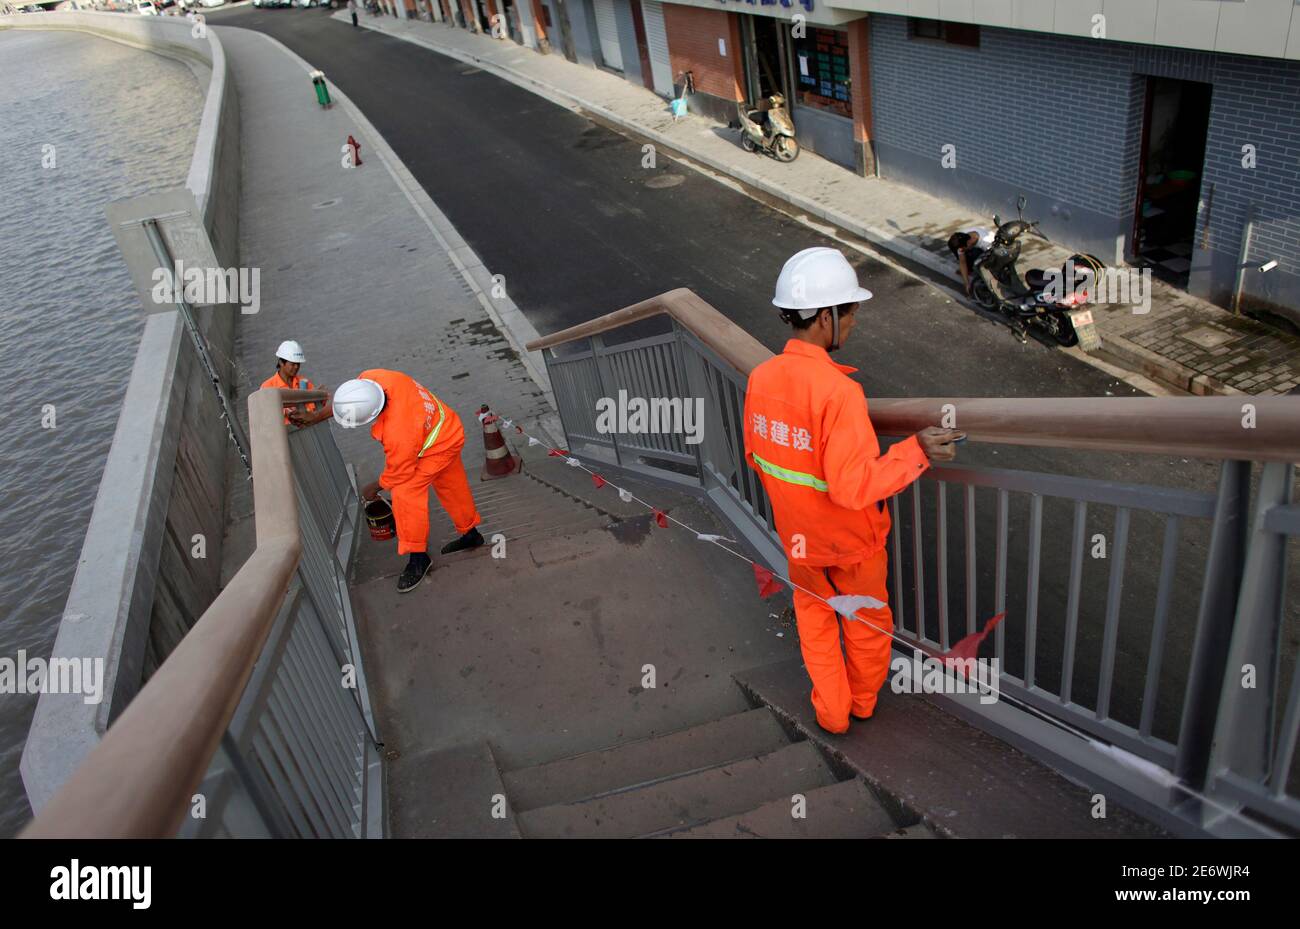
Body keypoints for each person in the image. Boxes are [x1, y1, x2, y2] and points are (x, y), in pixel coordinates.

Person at [743, 247, 963, 735]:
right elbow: (854, 486)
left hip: (799, 539)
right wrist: (918, 450)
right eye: (850, 312)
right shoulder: (839, 394)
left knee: (816, 619)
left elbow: (756, 456)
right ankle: (862, 703)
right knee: (865, 622)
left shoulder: (761, 377)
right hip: (852, 542)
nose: (855, 322)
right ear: (826, 318)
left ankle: (832, 712)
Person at [333, 370, 484, 592]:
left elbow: (398, 474)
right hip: (447, 428)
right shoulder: (375, 377)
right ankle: (471, 534)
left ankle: (418, 557)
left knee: (405, 493)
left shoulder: (398, 432)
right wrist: (323, 413)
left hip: (437, 446)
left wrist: (373, 488)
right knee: (452, 486)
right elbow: (352, 397)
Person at [260, 340, 332, 427]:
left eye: (298, 364)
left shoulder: (304, 382)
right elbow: (266, 415)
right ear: (281, 362)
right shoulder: (268, 387)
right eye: (293, 364)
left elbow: (313, 410)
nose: (296, 367)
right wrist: (287, 411)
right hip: (284, 434)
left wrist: (320, 399)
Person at [947, 227, 995, 298]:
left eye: (963, 249)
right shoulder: (962, 237)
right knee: (960, 254)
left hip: (990, 251)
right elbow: (962, 262)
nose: (961, 250)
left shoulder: (987, 243)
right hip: (973, 248)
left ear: (968, 243)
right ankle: (969, 268)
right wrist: (967, 283)